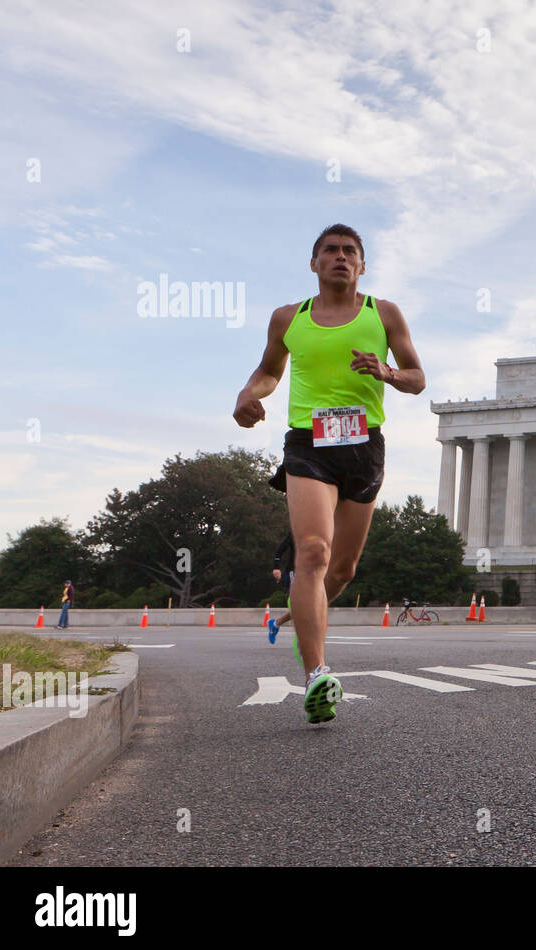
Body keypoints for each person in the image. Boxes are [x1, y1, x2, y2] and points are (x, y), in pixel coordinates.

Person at [233, 224, 425, 724]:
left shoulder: (383, 313)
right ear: (313, 263)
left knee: (342, 571)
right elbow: (269, 370)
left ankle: (297, 619)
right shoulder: (287, 318)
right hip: (308, 443)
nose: (340, 257)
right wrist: (248, 394)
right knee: (313, 551)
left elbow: (417, 378)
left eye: (349, 252)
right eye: (330, 251)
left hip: (364, 446)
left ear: (362, 265)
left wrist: (386, 372)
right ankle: (317, 673)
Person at [269, 532, 296, 644]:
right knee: (298, 605)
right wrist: (276, 568)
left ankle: (275, 624)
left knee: (309, 607)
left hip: (311, 572)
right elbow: (279, 551)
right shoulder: (295, 531)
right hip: (294, 572)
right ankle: (303, 638)